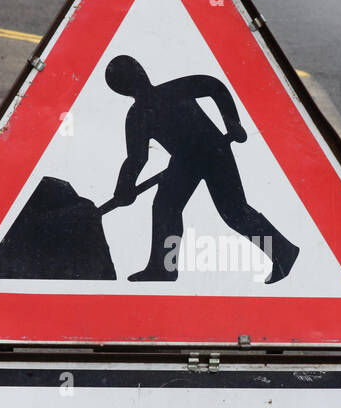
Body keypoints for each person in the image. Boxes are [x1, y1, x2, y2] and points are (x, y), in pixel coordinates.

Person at [102, 55, 299, 283]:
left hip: (213, 151)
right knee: (167, 208)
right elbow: (136, 158)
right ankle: (163, 269)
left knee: (233, 212)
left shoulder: (165, 95)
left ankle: (283, 251)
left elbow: (214, 86)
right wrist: (124, 187)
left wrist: (232, 123)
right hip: (186, 160)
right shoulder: (140, 113)